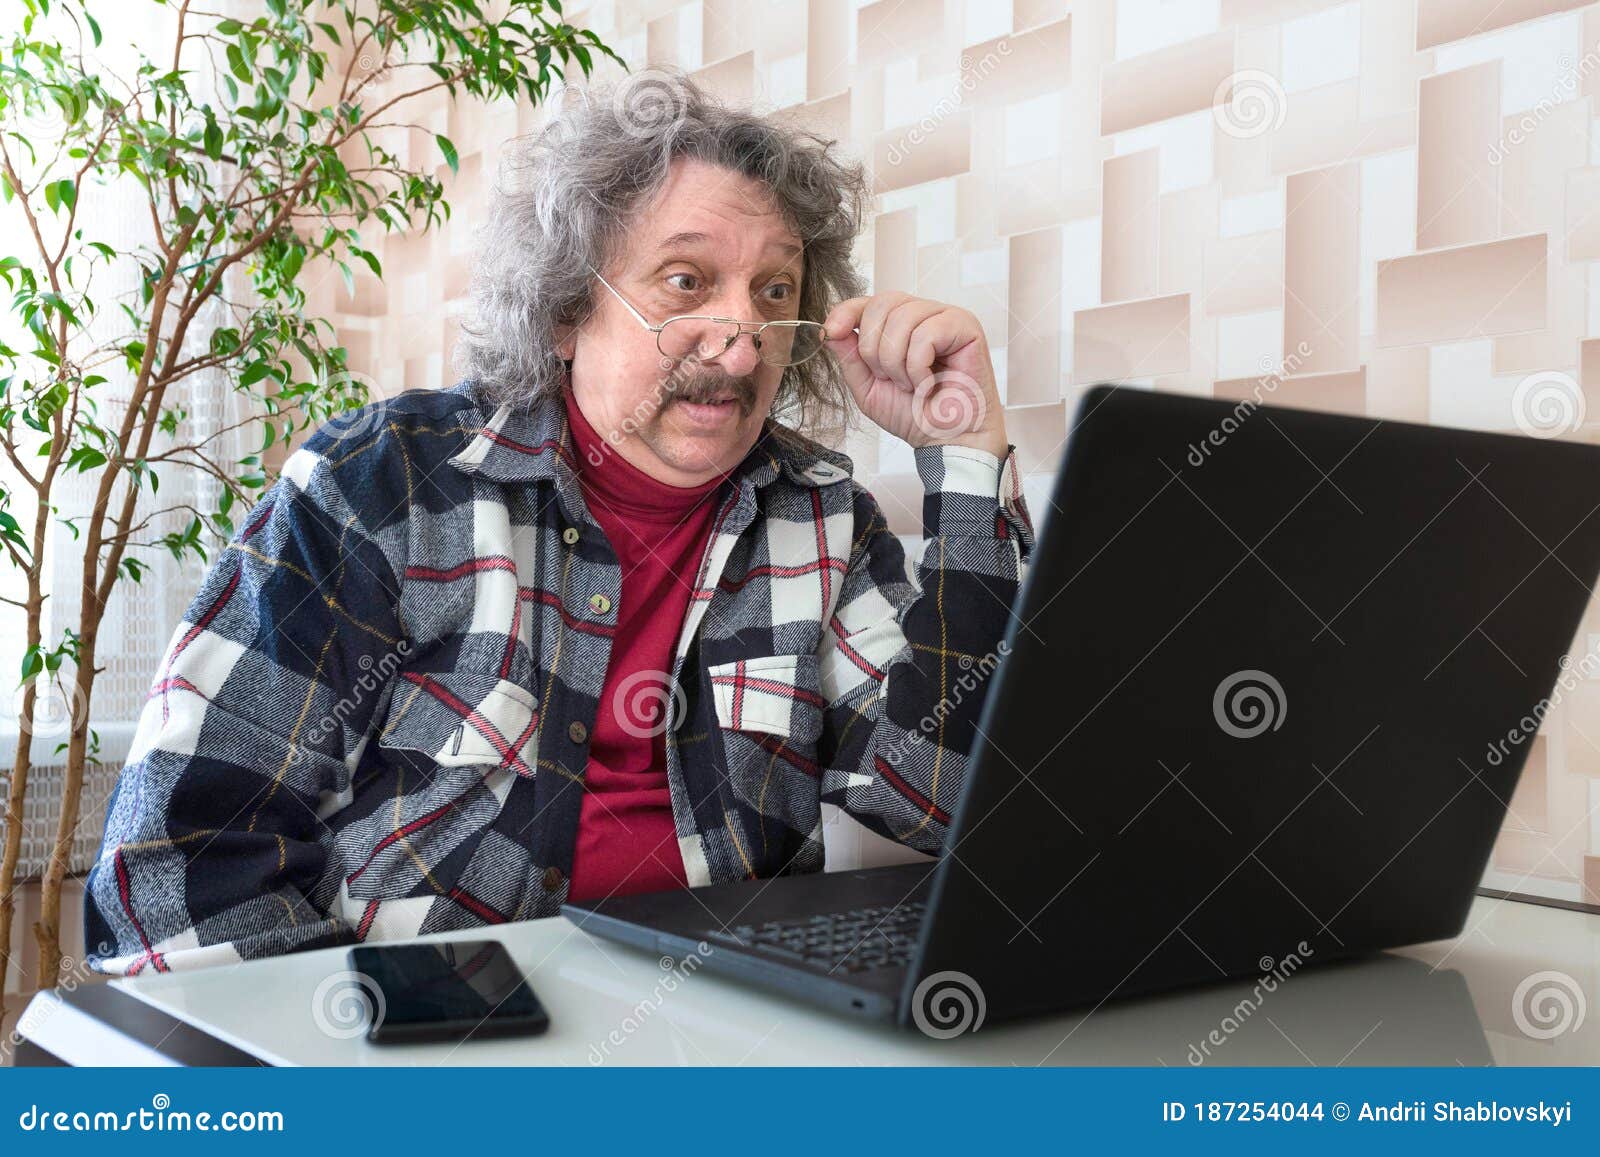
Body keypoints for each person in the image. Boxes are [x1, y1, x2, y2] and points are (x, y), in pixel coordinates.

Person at [84, 74, 1032, 975]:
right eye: (686, 281)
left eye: (774, 293)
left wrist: (966, 463)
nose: (740, 338)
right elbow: (176, 873)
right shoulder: (379, 490)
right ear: (569, 310)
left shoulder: (820, 517)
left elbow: (946, 800)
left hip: (720, 1052)